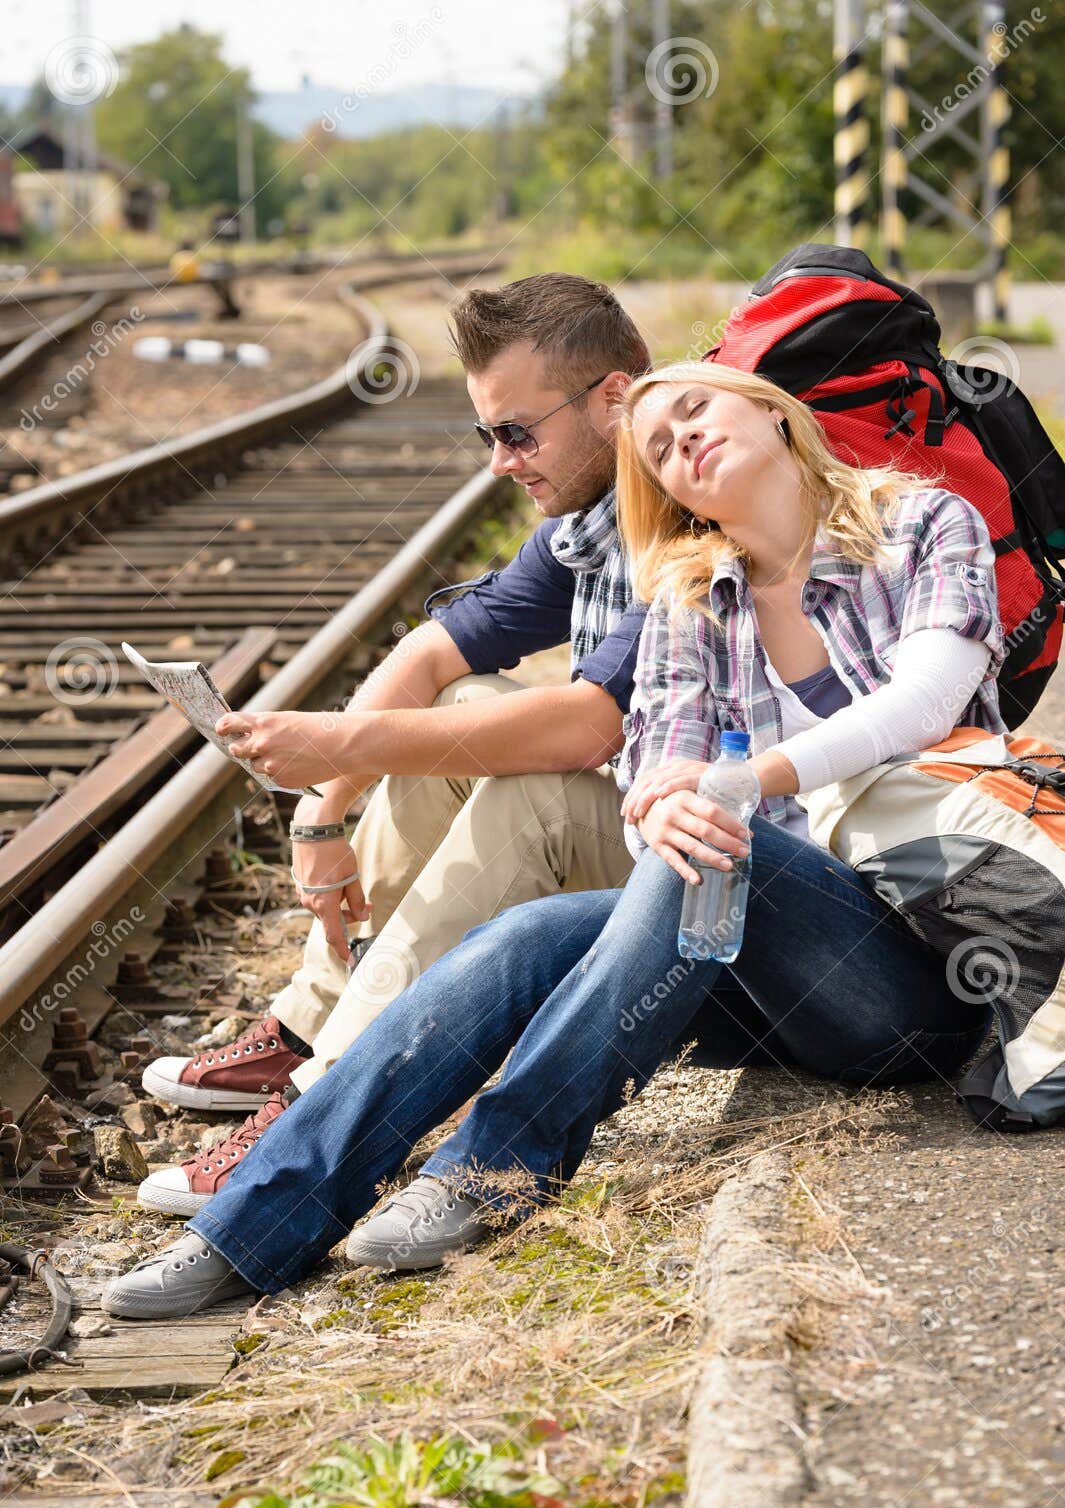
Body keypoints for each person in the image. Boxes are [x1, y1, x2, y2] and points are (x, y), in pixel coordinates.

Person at [103, 360, 1004, 1320]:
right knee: (521, 939)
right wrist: (657, 804)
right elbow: (652, 768)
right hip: (753, 979)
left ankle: (488, 1171)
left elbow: (923, 703)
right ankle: (251, 1226)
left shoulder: (918, 526)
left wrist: (729, 786)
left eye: (696, 408)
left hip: (919, 964)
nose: (683, 438)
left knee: (712, 837)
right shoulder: (688, 599)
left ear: (770, 412)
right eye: (658, 447)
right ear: (664, 492)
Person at [135, 273, 650, 1218]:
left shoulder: (695, 502)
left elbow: (585, 726)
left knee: (522, 783)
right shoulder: (591, 512)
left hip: (737, 887)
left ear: (612, 399)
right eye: (487, 434)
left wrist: (339, 739)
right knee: (461, 701)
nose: (500, 463)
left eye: (517, 432)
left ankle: (316, 1112)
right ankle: (311, 1023)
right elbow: (435, 650)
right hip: (653, 833)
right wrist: (324, 806)